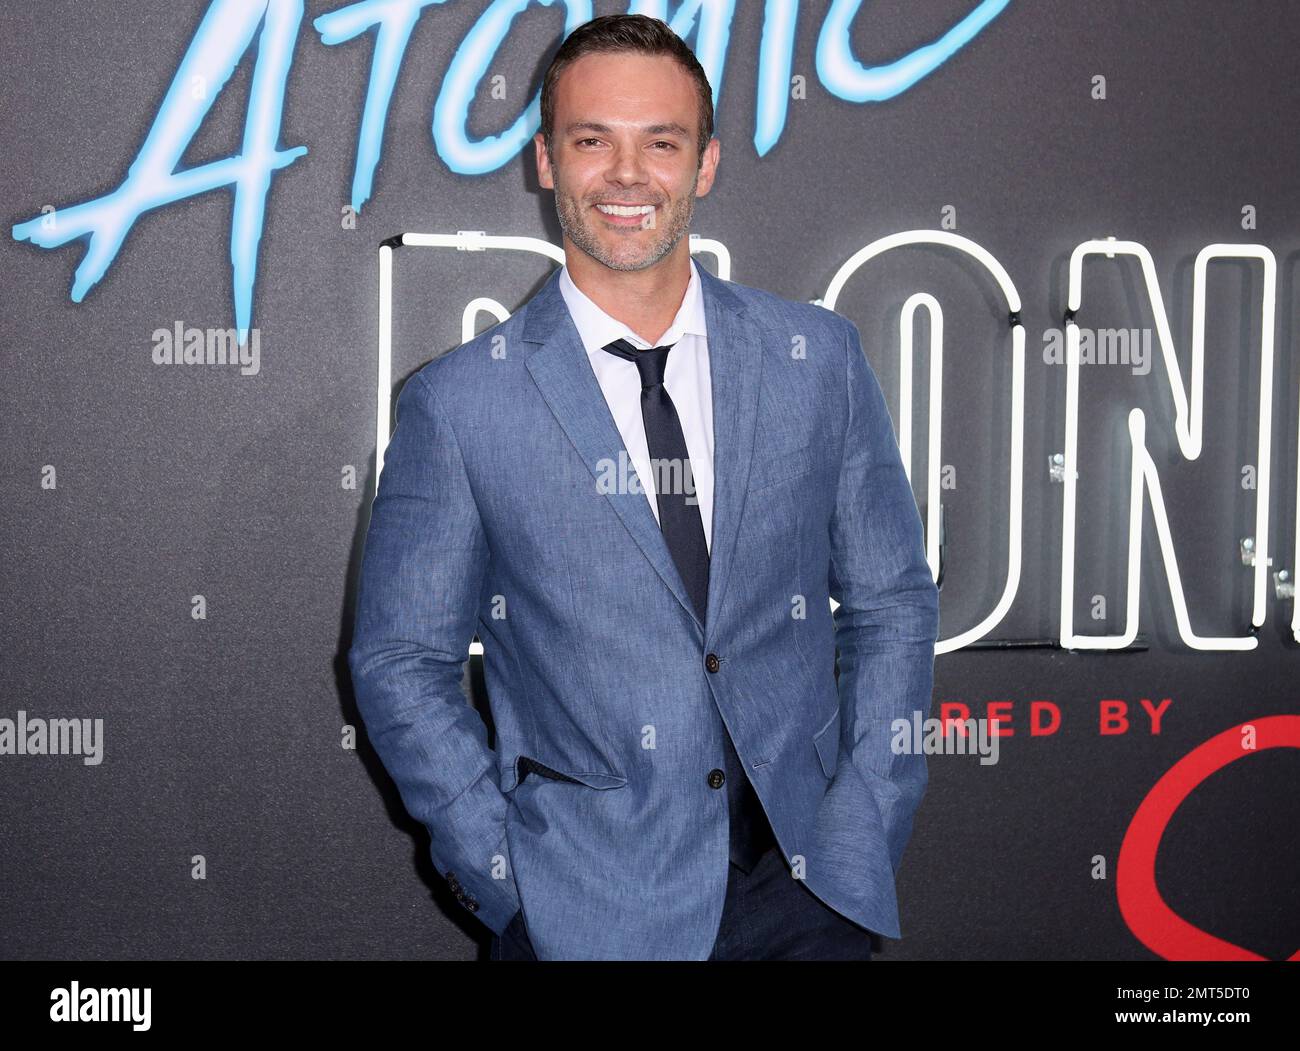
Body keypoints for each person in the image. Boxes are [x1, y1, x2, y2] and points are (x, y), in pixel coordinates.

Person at [348, 13, 939, 961]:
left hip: (806, 902)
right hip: (584, 916)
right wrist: (512, 881)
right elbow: (399, 661)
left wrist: (864, 821)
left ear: (704, 163)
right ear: (547, 160)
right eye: (593, 141)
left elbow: (893, 602)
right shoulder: (458, 404)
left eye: (660, 142)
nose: (627, 175)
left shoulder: (816, 360)